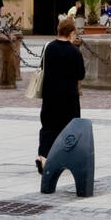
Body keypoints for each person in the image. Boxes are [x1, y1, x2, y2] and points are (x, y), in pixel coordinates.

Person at [36, 17, 86, 175]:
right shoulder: (74, 52)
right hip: (69, 97)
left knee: (48, 127)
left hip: (50, 95)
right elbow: (81, 74)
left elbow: (42, 67)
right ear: (71, 33)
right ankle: (67, 158)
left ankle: (42, 156)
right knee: (69, 128)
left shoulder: (49, 48)